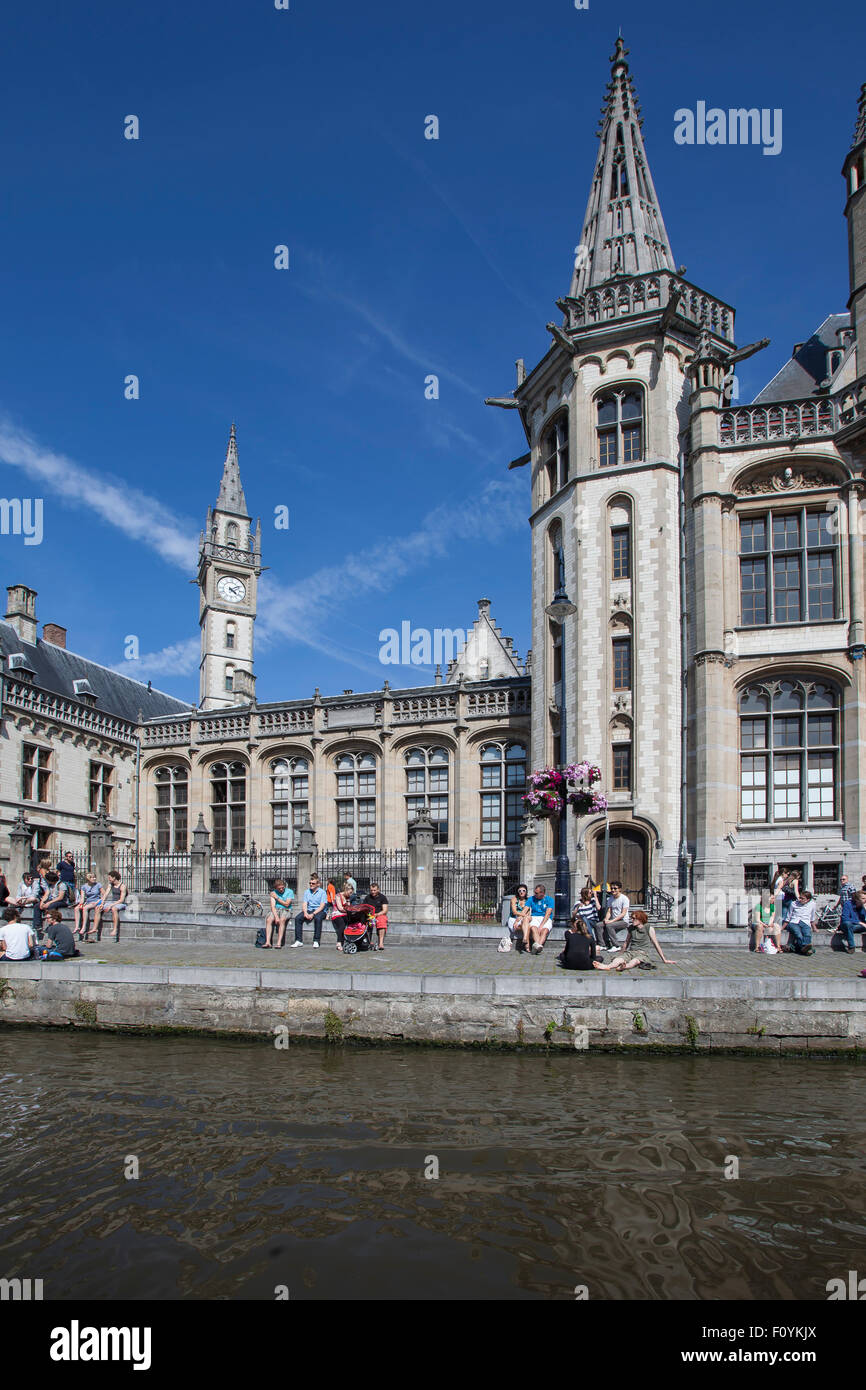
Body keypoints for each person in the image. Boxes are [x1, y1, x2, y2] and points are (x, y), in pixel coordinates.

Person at [593, 909, 677, 972]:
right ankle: (607, 966)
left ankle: (624, 967)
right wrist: (620, 954)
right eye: (631, 918)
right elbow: (626, 942)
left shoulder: (649, 928)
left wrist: (664, 959)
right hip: (631, 952)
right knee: (619, 960)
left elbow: (656, 944)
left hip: (642, 953)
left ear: (640, 919)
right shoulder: (631, 929)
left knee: (635, 961)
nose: (632, 920)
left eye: (634, 919)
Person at [292, 874, 328, 947]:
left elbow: (322, 906)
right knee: (298, 918)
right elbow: (305, 903)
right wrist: (305, 912)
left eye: (313, 883)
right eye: (310, 883)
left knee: (318, 919)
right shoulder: (307, 892)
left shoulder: (322, 892)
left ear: (318, 884)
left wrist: (313, 914)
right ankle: (298, 940)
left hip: (319, 911)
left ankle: (316, 940)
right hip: (309, 909)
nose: (311, 885)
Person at [574, 884, 612, 949]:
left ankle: (592, 939)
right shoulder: (578, 902)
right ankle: (592, 939)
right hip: (583, 921)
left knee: (586, 920)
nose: (591, 894)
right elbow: (574, 914)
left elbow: (599, 907)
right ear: (586, 894)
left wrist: (595, 896)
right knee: (584, 918)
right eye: (590, 892)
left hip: (593, 920)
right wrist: (577, 907)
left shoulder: (593, 900)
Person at [94, 871, 128, 941]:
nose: (108, 879)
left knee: (114, 909)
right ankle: (95, 928)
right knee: (97, 908)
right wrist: (102, 903)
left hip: (120, 903)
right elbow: (105, 894)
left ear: (114, 877)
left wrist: (111, 906)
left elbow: (121, 900)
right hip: (112, 902)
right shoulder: (111, 884)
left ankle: (115, 929)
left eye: (109, 877)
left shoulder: (122, 886)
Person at [264, 878, 295, 948]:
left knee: (282, 920)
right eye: (279, 889)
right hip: (276, 910)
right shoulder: (273, 893)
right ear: (276, 888)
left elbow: (287, 904)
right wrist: (276, 917)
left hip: (286, 909)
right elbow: (273, 906)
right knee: (269, 920)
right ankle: (268, 942)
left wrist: (277, 898)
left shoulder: (289, 892)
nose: (281, 890)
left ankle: (279, 943)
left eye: (282, 888)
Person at [784, 889, 816, 955]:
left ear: (808, 900)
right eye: (800, 897)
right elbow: (788, 916)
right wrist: (783, 927)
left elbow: (812, 917)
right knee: (798, 934)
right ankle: (807, 949)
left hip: (805, 922)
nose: (800, 899)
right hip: (794, 922)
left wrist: (814, 927)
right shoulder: (794, 904)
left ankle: (804, 949)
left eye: (802, 898)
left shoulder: (812, 904)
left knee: (807, 934)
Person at [526, 883, 554, 955]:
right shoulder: (531, 899)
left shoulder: (550, 900)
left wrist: (541, 925)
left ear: (542, 893)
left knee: (544, 931)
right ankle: (538, 947)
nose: (534, 894)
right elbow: (525, 909)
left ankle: (537, 946)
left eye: (536, 893)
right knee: (534, 929)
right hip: (535, 917)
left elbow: (548, 914)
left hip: (545, 918)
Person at [603, 880, 631, 945]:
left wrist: (611, 921)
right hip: (614, 920)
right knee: (598, 925)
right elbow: (609, 911)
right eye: (611, 888)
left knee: (609, 926)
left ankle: (616, 945)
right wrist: (606, 919)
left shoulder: (624, 899)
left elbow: (623, 913)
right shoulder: (610, 899)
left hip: (623, 921)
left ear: (619, 889)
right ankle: (603, 944)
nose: (613, 890)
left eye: (615, 888)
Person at [507, 884, 532, 952]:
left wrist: (520, 918)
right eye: (520, 890)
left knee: (526, 923)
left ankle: (525, 940)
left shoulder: (528, 900)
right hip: (513, 918)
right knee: (527, 927)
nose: (522, 892)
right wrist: (519, 919)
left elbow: (528, 912)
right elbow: (514, 912)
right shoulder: (514, 899)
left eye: (524, 890)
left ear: (526, 892)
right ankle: (527, 946)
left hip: (523, 919)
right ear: (517, 891)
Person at [80, 873, 104, 941]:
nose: (94, 879)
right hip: (89, 902)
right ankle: (83, 926)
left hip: (97, 901)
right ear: (88, 879)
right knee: (82, 908)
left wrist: (99, 901)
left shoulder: (98, 885)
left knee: (87, 908)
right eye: (92, 877)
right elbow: (82, 897)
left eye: (94, 877)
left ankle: (85, 927)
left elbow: (104, 894)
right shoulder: (84, 886)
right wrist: (81, 903)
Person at [366, 881, 389, 951]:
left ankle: (381, 943)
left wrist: (377, 914)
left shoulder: (383, 897)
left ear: (378, 890)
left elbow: (385, 910)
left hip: (379, 914)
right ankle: (368, 941)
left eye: (374, 890)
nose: (373, 892)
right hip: (370, 915)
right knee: (365, 922)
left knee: (382, 921)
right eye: (371, 890)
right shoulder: (367, 898)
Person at [330, 885, 349, 950]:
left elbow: (349, 906)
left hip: (345, 914)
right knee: (342, 924)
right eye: (349, 892)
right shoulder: (338, 896)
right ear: (346, 890)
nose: (350, 894)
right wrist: (348, 909)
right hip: (337, 914)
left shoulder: (347, 897)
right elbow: (340, 908)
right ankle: (339, 942)